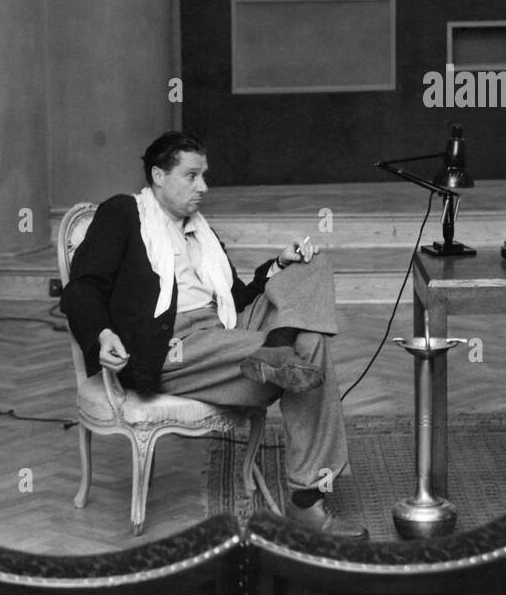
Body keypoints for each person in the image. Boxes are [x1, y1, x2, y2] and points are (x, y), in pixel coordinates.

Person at [60, 131, 366, 538]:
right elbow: (82, 287)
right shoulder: (123, 214)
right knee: (306, 348)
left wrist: (279, 264)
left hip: (223, 331)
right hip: (172, 347)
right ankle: (307, 501)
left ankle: (278, 349)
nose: (203, 187)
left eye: (204, 176)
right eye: (191, 176)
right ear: (158, 175)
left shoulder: (200, 230)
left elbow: (236, 298)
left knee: (311, 269)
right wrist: (100, 336)